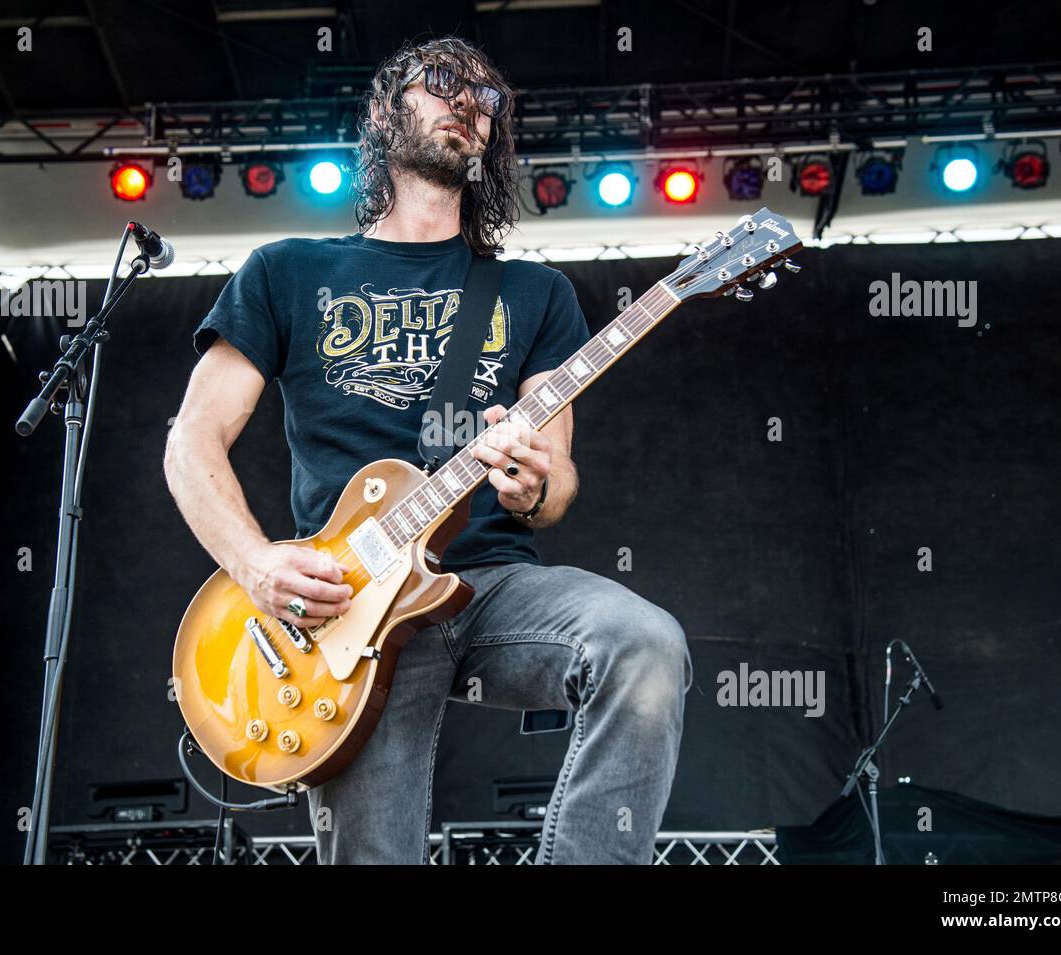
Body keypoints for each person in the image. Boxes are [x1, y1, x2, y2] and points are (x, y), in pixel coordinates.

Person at [164, 34, 693, 864]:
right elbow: (191, 440)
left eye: (487, 97)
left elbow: (550, 486)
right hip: (343, 609)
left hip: (488, 586)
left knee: (644, 643)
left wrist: (527, 485)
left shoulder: (534, 294)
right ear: (384, 110)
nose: (469, 102)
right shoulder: (286, 272)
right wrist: (259, 565)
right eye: (443, 81)